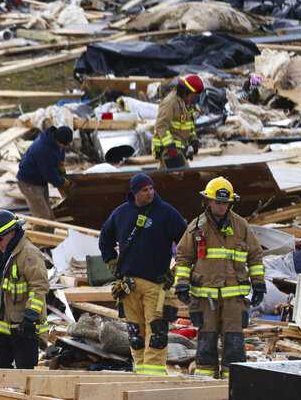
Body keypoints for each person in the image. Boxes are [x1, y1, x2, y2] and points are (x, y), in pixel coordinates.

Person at [174, 177, 266, 379]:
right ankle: (206, 384)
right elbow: (183, 257)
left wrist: (258, 284)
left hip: (234, 299)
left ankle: (232, 383)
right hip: (205, 299)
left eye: (225, 202)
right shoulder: (197, 227)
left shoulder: (241, 226)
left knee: (234, 343)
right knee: (206, 342)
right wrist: (181, 284)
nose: (222, 206)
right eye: (218, 202)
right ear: (207, 201)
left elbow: (255, 256)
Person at [99, 173, 187, 376]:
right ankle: (140, 374)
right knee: (135, 334)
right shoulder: (121, 214)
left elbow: (186, 244)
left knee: (156, 332)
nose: (150, 193)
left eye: (151, 188)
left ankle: (153, 378)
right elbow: (105, 239)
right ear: (134, 193)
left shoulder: (166, 213)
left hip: (156, 285)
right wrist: (111, 262)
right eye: (144, 190)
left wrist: (176, 271)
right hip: (128, 286)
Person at [0, 210, 49, 369]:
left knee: (24, 376)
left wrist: (31, 315)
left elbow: (39, 286)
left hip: (23, 328)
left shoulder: (29, 254)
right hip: (0, 326)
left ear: (12, 232)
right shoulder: (0, 253)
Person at [16, 126, 72, 220]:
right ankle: (40, 234)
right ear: (57, 140)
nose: (63, 147)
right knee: (43, 217)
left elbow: (60, 151)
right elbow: (49, 174)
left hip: (40, 181)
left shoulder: (57, 141)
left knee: (50, 217)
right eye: (63, 144)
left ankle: (49, 233)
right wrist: (62, 182)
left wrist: (61, 164)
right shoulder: (42, 149)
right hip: (29, 183)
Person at [152, 75, 203, 169]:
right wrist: (170, 145)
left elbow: (188, 125)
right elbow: (161, 125)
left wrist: (193, 140)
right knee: (183, 176)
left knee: (170, 179)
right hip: (168, 149)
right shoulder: (170, 103)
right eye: (194, 96)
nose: (194, 100)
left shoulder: (186, 104)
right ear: (186, 92)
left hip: (179, 149)